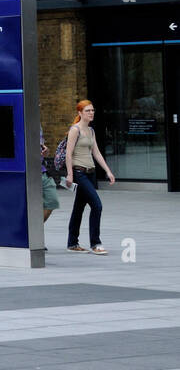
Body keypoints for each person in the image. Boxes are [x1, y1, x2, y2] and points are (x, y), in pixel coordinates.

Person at [65, 100, 115, 255]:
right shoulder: (75, 130)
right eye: (87, 111)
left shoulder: (91, 131)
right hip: (79, 173)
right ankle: (96, 243)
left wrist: (108, 171)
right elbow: (68, 153)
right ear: (80, 113)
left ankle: (72, 243)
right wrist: (70, 174)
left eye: (92, 110)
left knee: (78, 208)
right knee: (97, 205)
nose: (91, 113)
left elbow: (96, 152)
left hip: (90, 173)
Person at [39, 126, 60, 223]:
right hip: (27, 172)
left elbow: (40, 144)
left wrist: (45, 150)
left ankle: (33, 230)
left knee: (52, 201)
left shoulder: (37, 124)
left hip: (42, 170)